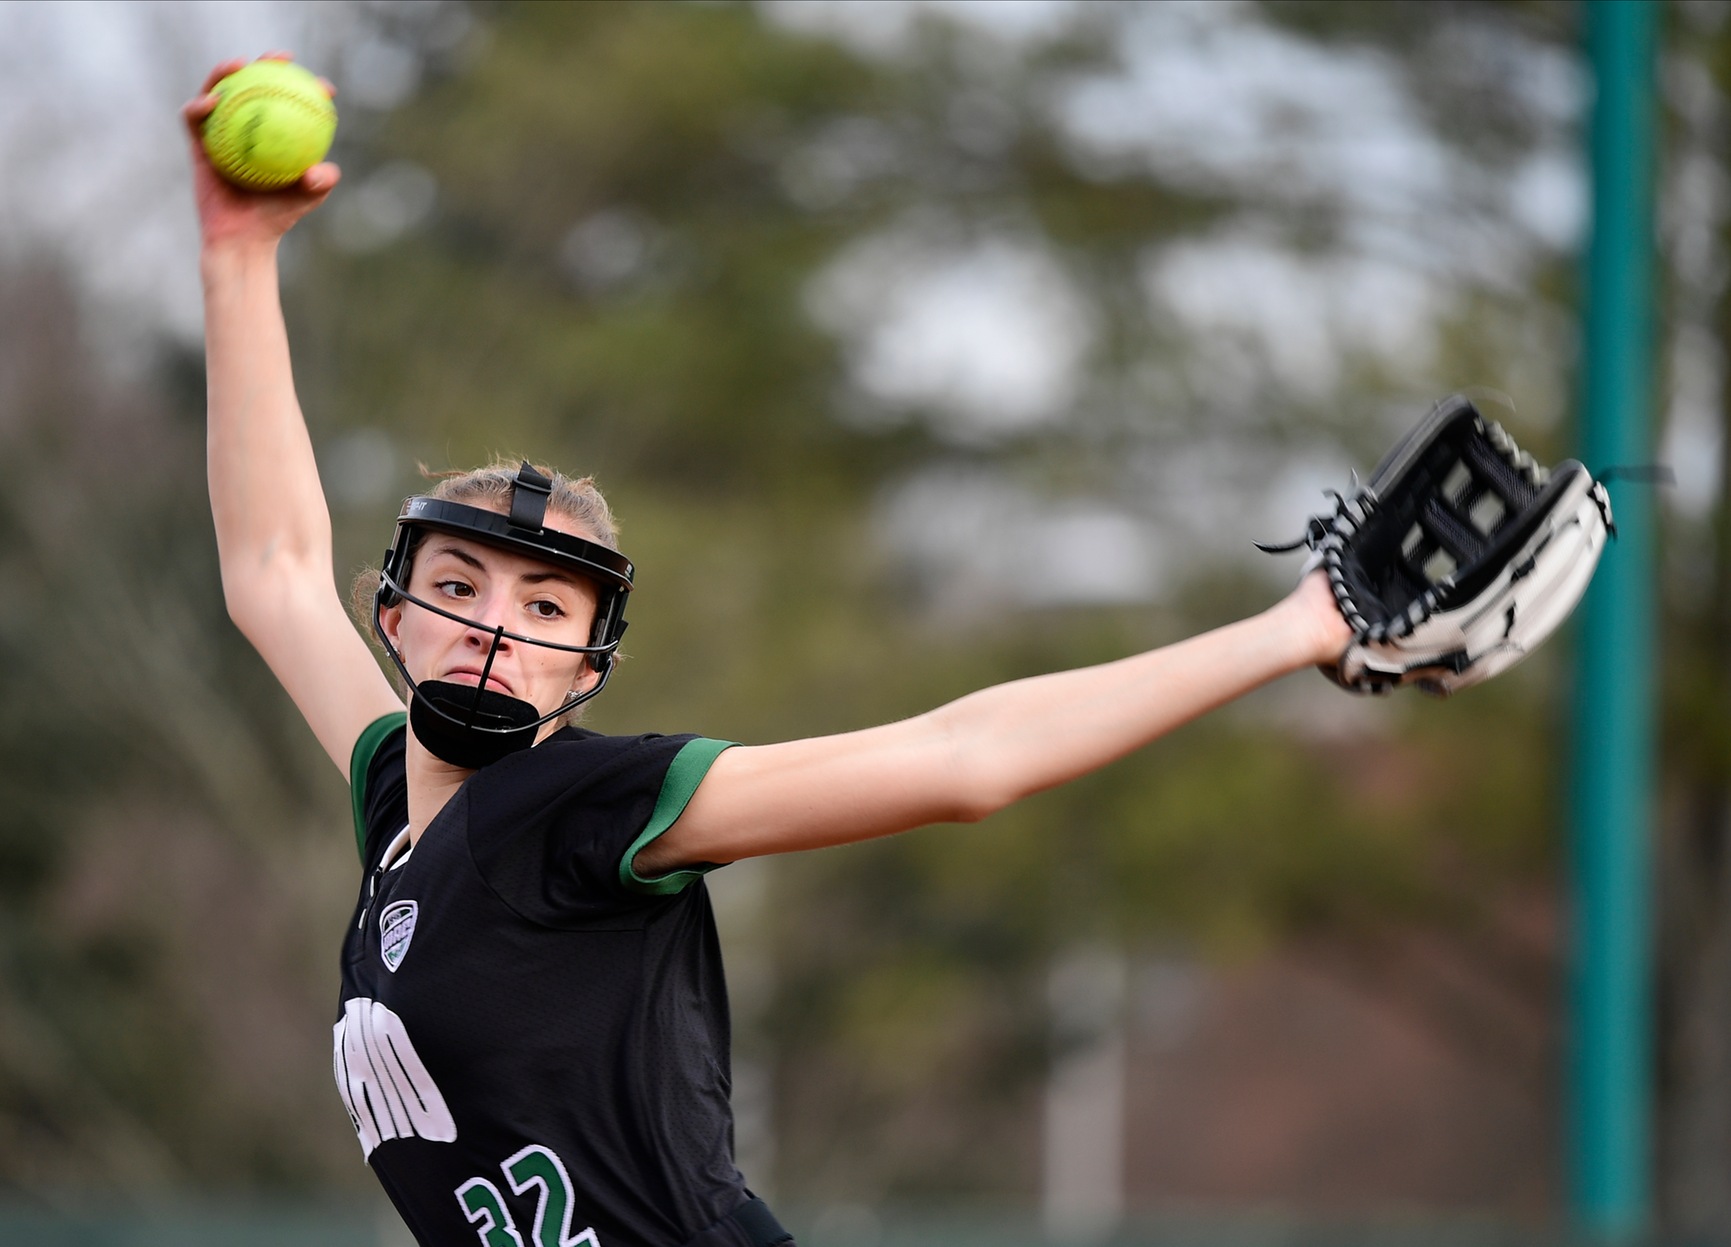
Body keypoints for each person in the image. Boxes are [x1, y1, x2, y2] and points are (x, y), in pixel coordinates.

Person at [187, 55, 1354, 1247]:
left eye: (547, 607)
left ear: (589, 667)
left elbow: (963, 758)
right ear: (394, 619)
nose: (494, 626)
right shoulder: (395, 801)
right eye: (457, 585)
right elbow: (273, 569)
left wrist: (1292, 629)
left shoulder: (584, 803)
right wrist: (239, 257)